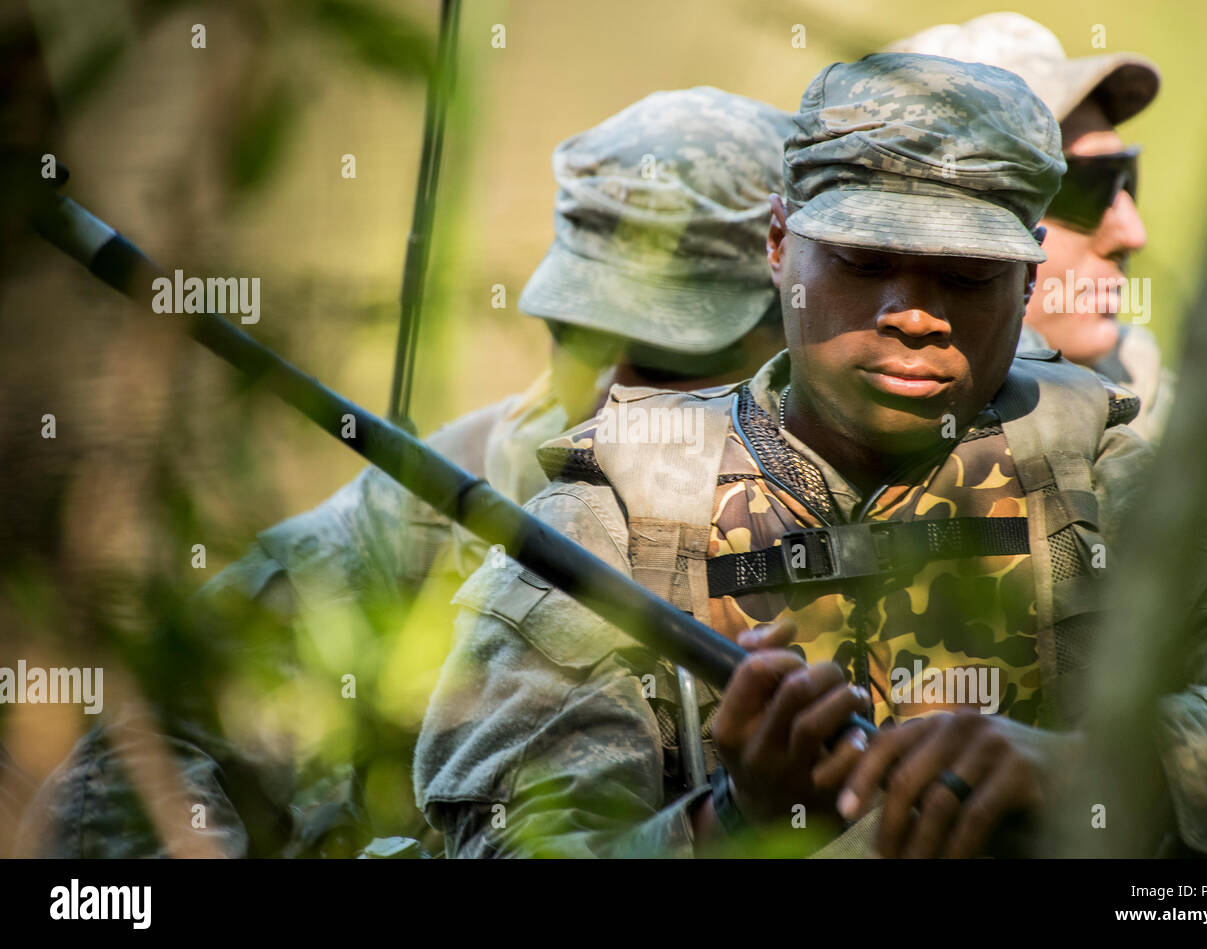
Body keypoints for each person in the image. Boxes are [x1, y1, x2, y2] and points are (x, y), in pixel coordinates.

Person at [413, 52, 1207, 859]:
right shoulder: (615, 509)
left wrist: (1098, 773)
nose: (913, 313)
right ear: (776, 243)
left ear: (1030, 276)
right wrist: (736, 820)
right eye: (864, 260)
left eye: (964, 275)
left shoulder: (1136, 468)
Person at [18, 87, 793, 859]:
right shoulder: (440, 505)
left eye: (666, 361)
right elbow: (135, 758)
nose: (600, 392)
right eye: (576, 337)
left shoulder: (875, 516)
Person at [889, 12, 1207, 489]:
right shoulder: (805, 440)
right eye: (1081, 190)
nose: (1130, 233)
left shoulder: (1205, 456)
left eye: (1125, 179)